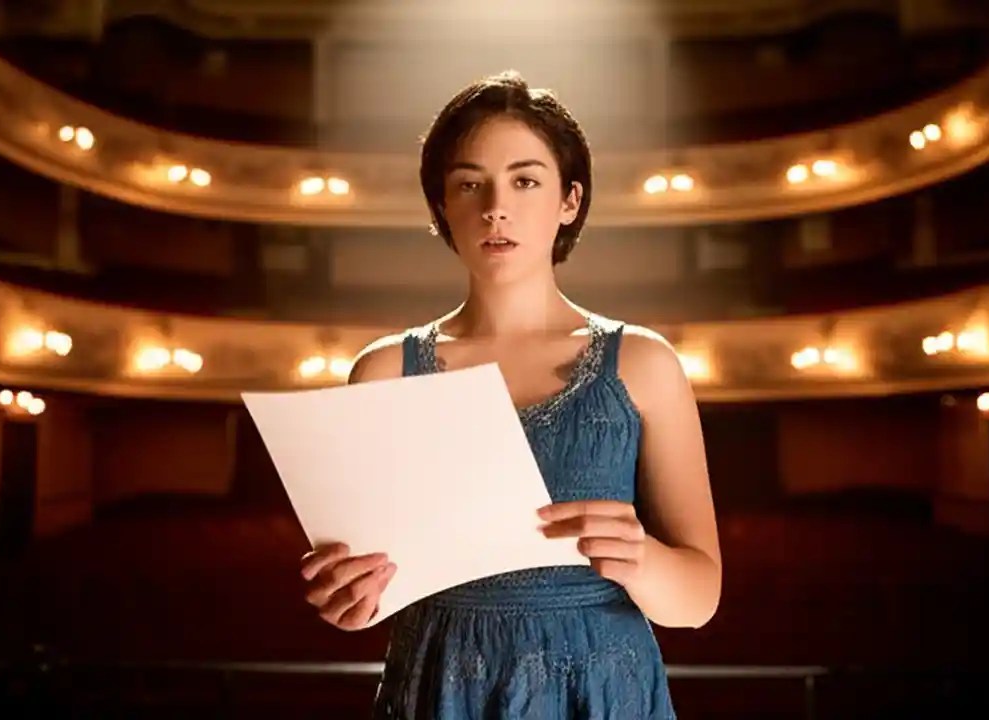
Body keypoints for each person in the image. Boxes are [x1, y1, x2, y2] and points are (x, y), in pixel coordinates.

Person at [298, 70, 721, 719]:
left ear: (569, 200)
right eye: (470, 184)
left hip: (603, 691)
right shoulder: (384, 371)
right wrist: (348, 597)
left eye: (525, 181)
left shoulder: (645, 363)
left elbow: (700, 597)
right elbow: (364, 591)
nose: (496, 206)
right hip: (442, 682)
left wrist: (640, 558)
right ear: (442, 206)